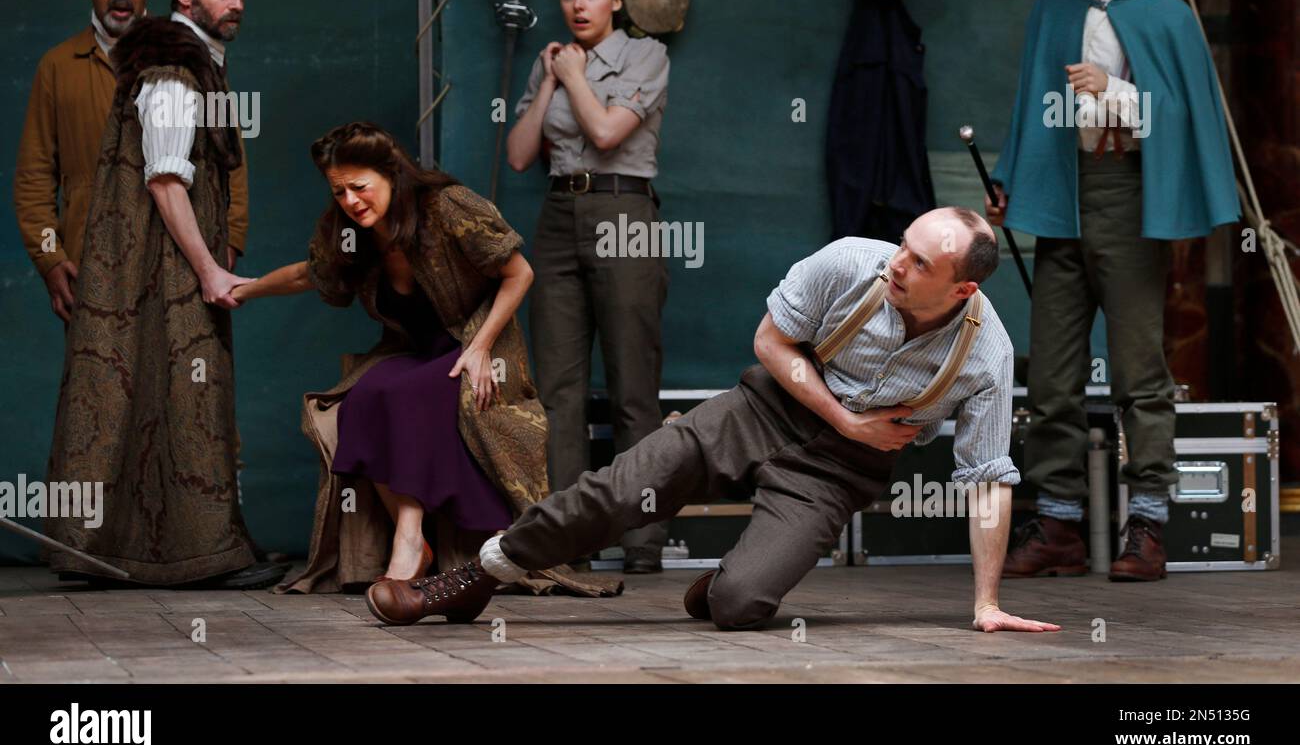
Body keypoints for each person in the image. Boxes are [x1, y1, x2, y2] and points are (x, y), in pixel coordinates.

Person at [365, 208, 1061, 635]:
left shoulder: (986, 354)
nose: (898, 263)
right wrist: (845, 418)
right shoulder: (852, 261)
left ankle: (731, 579)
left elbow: (988, 480)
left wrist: (987, 601)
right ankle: (475, 578)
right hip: (761, 409)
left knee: (740, 605)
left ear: (963, 288)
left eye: (919, 261)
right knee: (619, 490)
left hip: (838, 471)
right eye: (903, 245)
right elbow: (768, 341)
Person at [234, 123, 618, 599]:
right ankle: (410, 538)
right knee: (361, 399)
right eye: (340, 191)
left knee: (407, 394)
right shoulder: (350, 231)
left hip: (477, 341)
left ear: (391, 174)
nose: (351, 201)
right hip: (415, 351)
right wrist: (242, 288)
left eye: (360, 187)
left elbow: (520, 273)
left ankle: (410, 542)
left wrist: (479, 348)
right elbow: (306, 275)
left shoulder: (446, 206)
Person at [987, 0, 1239, 582]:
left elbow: (1185, 117)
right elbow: (1028, 105)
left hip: (1132, 190)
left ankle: (1150, 527)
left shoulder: (1167, 15)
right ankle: (1060, 523)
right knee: (1056, 375)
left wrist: (1118, 90)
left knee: (1138, 370)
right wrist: (1009, 179)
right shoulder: (1053, 8)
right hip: (1063, 193)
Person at [41, 0, 280, 589]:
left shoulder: (186, 62)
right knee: (182, 393)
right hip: (164, 264)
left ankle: (125, 549)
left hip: (154, 263)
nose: (236, 5)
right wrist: (207, 268)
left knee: (148, 397)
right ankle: (198, 553)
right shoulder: (173, 70)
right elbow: (166, 180)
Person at [505, 0, 673, 574]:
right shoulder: (550, 61)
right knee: (558, 390)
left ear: (616, 2)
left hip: (623, 212)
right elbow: (521, 154)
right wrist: (550, 77)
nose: (578, 5)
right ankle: (565, 539)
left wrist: (573, 75)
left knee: (633, 385)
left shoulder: (646, 55)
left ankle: (642, 540)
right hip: (556, 217)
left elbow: (607, 135)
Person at [13, 0, 249, 323]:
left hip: (179, 260)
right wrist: (50, 258)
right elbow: (34, 176)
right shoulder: (57, 66)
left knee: (180, 379)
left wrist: (228, 243)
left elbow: (231, 159)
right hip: (91, 263)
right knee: (99, 381)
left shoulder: (187, 52)